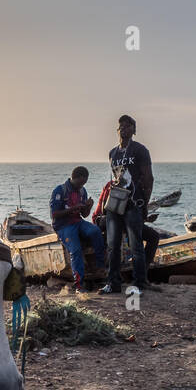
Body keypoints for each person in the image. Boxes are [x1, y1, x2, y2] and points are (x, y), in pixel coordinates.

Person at [100, 114, 159, 294]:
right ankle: (113, 283)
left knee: (136, 245)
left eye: (128, 126)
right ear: (117, 130)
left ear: (134, 130)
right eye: (121, 126)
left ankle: (139, 284)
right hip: (115, 203)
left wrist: (144, 205)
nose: (124, 129)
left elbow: (148, 178)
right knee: (113, 245)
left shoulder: (140, 150)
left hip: (134, 203)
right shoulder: (112, 153)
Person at [50, 166, 105, 292]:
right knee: (76, 250)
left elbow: (84, 215)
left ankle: (100, 267)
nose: (82, 185)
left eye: (84, 183)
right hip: (63, 225)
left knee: (96, 231)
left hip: (78, 221)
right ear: (75, 178)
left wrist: (88, 207)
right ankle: (78, 283)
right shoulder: (60, 190)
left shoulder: (82, 191)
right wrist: (72, 209)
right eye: (81, 182)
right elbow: (54, 214)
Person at [93, 178, 160, 269]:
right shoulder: (112, 186)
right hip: (110, 222)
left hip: (125, 223)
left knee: (153, 236)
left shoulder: (136, 187)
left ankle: (143, 267)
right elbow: (102, 212)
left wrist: (145, 218)